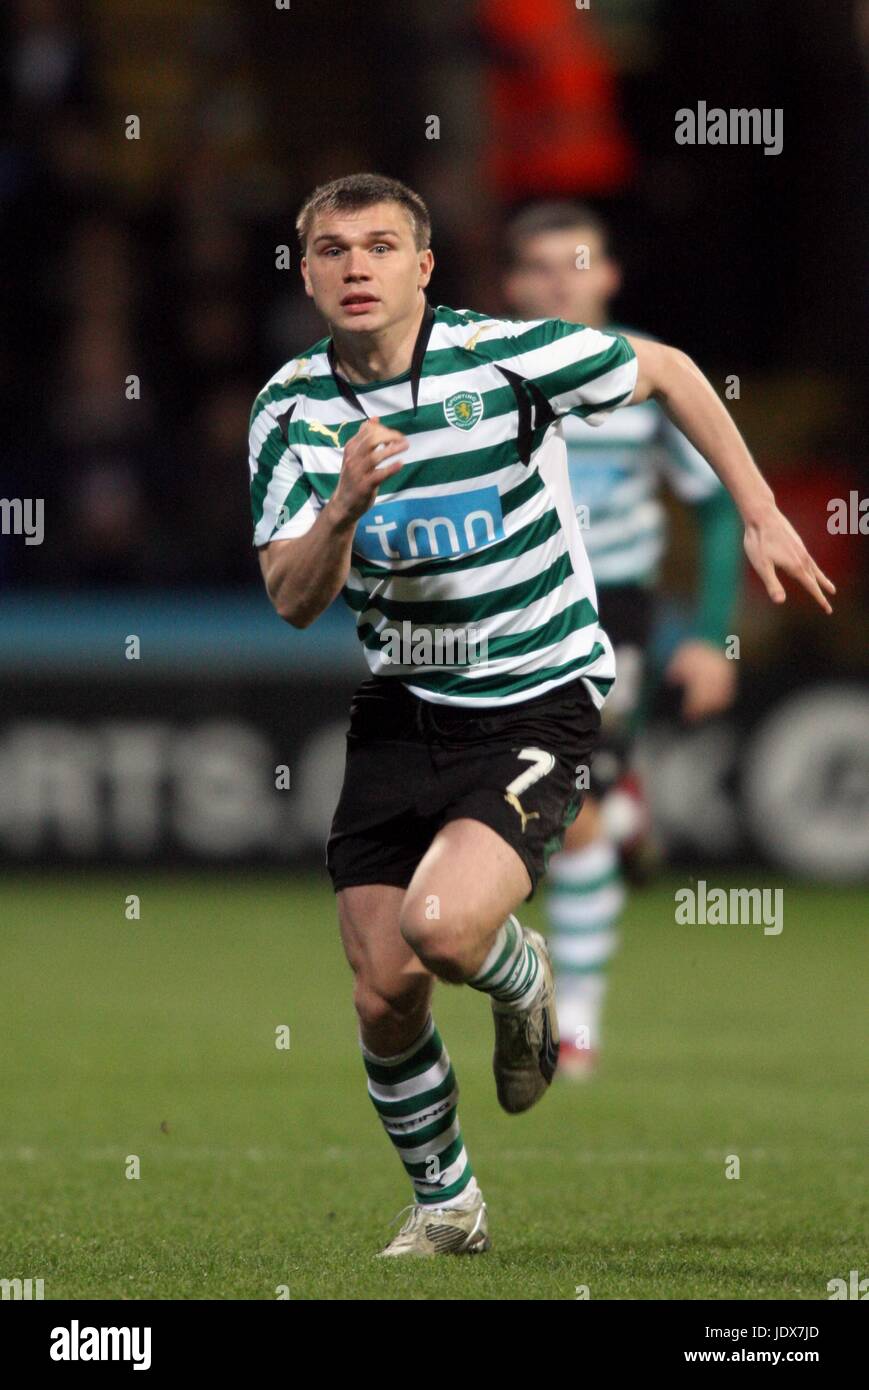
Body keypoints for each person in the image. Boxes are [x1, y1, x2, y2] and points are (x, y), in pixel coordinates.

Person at [249, 173, 833, 1257]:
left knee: (441, 929)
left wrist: (756, 512)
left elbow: (666, 370)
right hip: (400, 704)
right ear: (306, 273)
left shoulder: (500, 356)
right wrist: (340, 508)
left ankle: (528, 985)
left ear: (423, 267)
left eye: (381, 246)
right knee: (383, 991)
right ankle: (448, 1205)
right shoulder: (288, 410)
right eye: (332, 250)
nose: (356, 266)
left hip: (536, 696)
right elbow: (291, 600)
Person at [503, 200, 743, 1077]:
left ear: (608, 274)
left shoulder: (647, 380)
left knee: (577, 816)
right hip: (514, 615)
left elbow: (715, 507)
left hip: (615, 615)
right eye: (536, 267)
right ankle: (630, 810)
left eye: (575, 261)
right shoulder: (485, 382)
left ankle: (579, 1030)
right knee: (564, 811)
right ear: (511, 286)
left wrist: (710, 635)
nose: (557, 279)